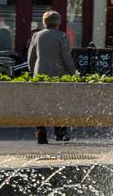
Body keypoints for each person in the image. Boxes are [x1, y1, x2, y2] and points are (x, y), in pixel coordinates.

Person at [27, 10, 76, 144]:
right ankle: (59, 132)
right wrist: (73, 73)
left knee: (41, 103)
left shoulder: (37, 36)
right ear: (58, 22)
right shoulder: (62, 36)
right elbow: (66, 58)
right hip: (58, 74)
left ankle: (41, 133)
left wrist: (33, 71)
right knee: (59, 102)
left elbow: (31, 57)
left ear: (44, 22)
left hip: (40, 73)